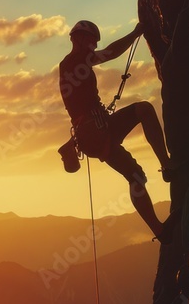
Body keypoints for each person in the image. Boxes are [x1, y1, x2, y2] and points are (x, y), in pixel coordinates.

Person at [57, 19, 177, 242]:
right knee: (143, 116)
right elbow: (110, 53)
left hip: (95, 131)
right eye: (91, 41)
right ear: (78, 39)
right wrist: (135, 33)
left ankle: (161, 223)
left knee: (136, 169)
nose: (94, 46)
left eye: (95, 42)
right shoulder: (75, 62)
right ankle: (165, 172)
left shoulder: (72, 64)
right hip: (95, 132)